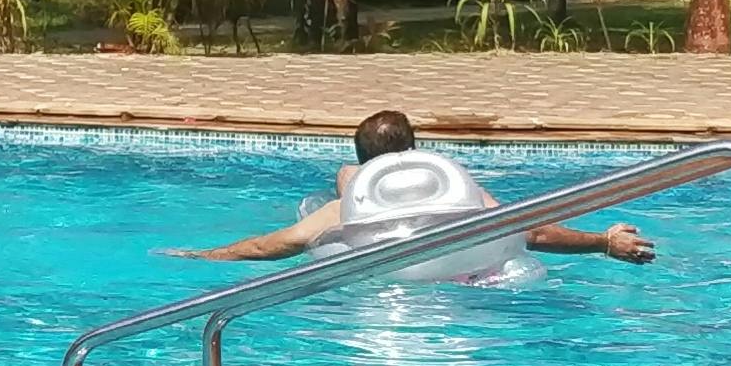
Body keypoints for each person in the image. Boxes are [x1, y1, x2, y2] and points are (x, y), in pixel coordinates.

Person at [178, 104, 653, 272]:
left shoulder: (343, 210)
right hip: (468, 280)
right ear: (418, 152)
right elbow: (535, 233)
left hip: (382, 282)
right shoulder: (463, 191)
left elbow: (272, 246)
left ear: (366, 167)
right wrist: (604, 243)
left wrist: (205, 255)